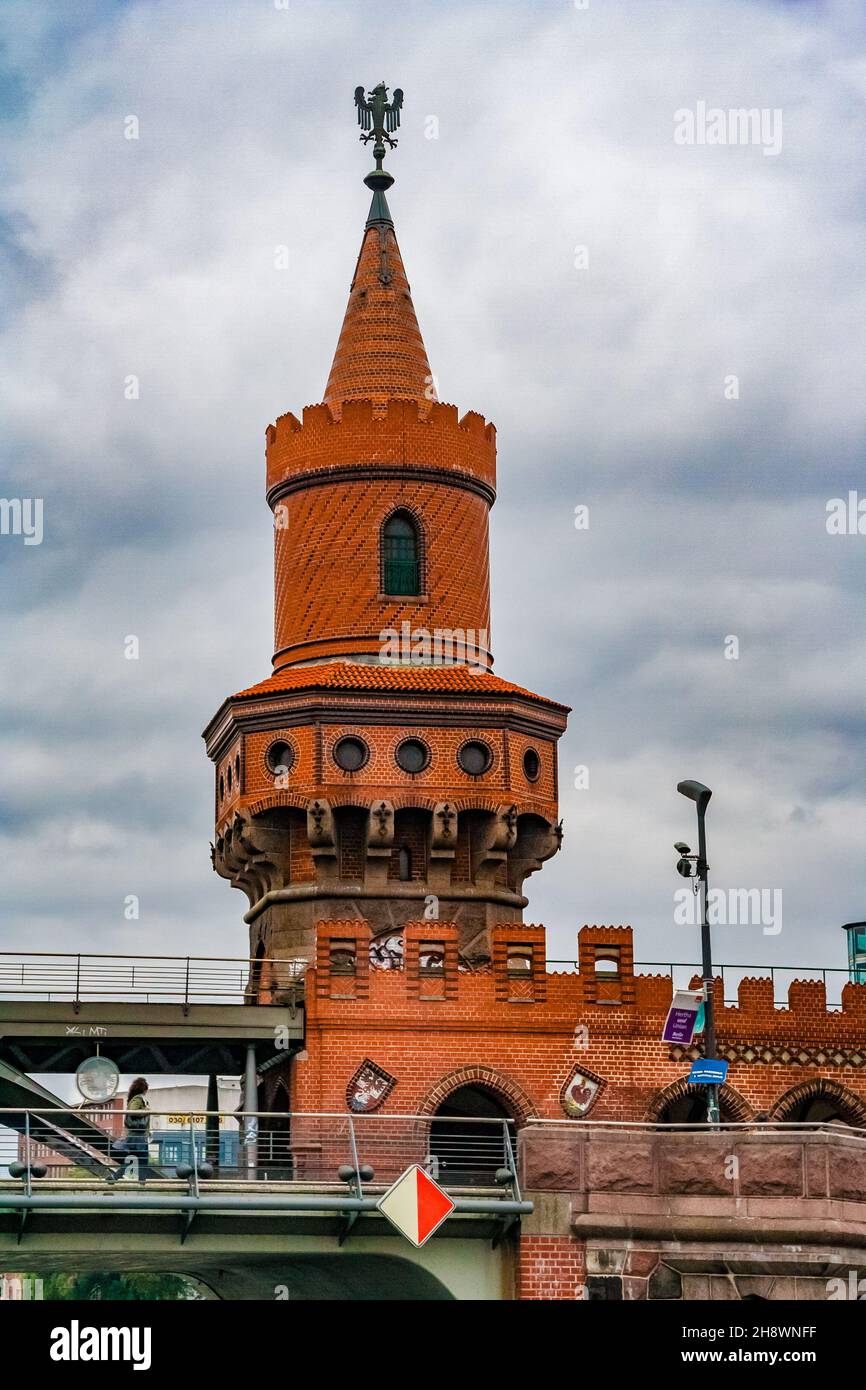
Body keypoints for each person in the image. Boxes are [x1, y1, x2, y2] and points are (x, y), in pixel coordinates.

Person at [108, 1077, 150, 1184]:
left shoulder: (135, 1098)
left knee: (132, 1158)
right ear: (144, 1089)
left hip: (135, 1135)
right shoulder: (138, 1099)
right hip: (138, 1136)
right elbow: (133, 1112)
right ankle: (142, 1183)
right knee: (143, 1159)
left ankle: (115, 1177)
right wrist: (146, 1110)